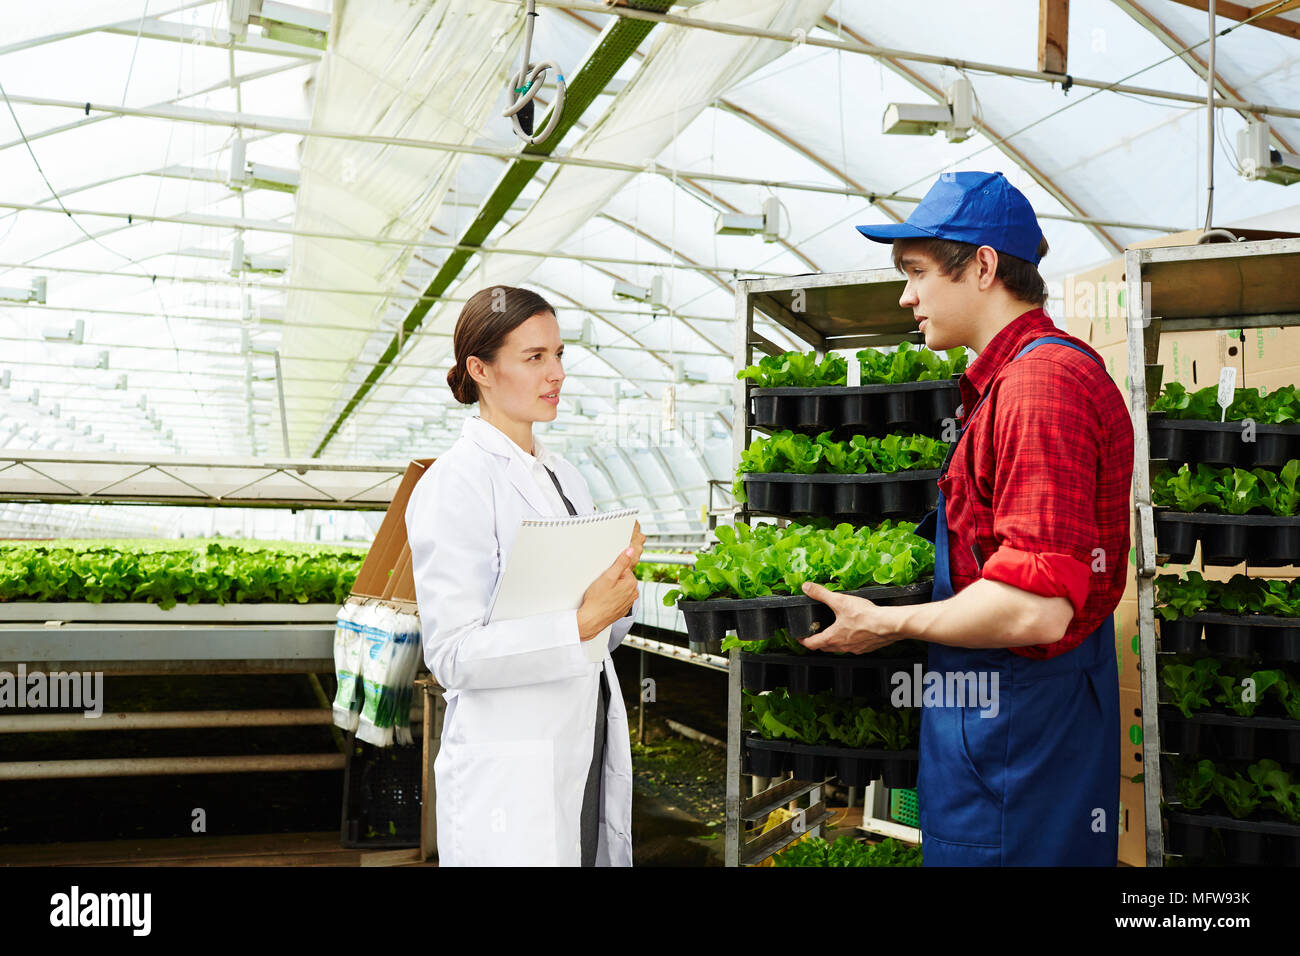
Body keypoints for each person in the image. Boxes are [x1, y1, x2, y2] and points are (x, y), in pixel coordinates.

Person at [801, 171, 1134, 866]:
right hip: (1002, 733)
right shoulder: (1011, 382)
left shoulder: (1041, 387)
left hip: (1021, 749)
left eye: (916, 272)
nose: (906, 295)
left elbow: (1035, 610)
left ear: (982, 266)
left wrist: (884, 621)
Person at [404, 285, 645, 867]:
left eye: (559, 355)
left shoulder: (564, 476)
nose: (556, 373)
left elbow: (594, 630)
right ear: (479, 369)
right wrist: (581, 621)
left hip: (580, 737)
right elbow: (453, 654)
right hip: (513, 765)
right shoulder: (454, 483)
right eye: (535, 358)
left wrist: (614, 597)